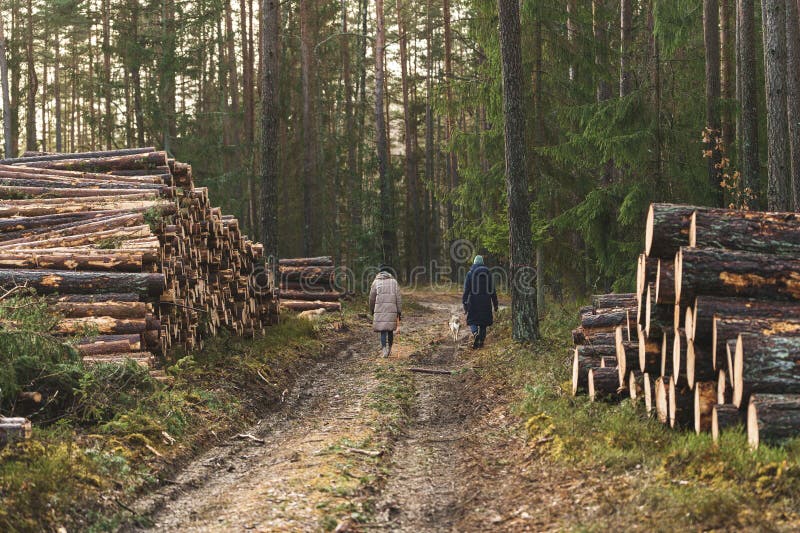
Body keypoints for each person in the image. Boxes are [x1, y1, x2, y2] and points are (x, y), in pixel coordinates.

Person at [463, 255, 498, 349]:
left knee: (472, 320)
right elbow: (492, 290)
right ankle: (481, 342)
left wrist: (464, 303)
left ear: (474, 263)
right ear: (483, 263)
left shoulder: (470, 273)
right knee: (483, 323)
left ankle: (475, 334)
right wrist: (495, 305)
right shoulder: (488, 274)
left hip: (473, 301)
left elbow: (466, 290)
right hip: (486, 302)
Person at [369, 264, 402, 357]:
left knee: (383, 330)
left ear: (380, 272)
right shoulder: (394, 282)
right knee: (390, 330)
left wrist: (371, 309)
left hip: (380, 310)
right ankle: (390, 349)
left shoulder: (376, 282)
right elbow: (398, 298)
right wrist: (399, 311)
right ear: (389, 272)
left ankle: (384, 349)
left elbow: (371, 298)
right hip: (392, 310)